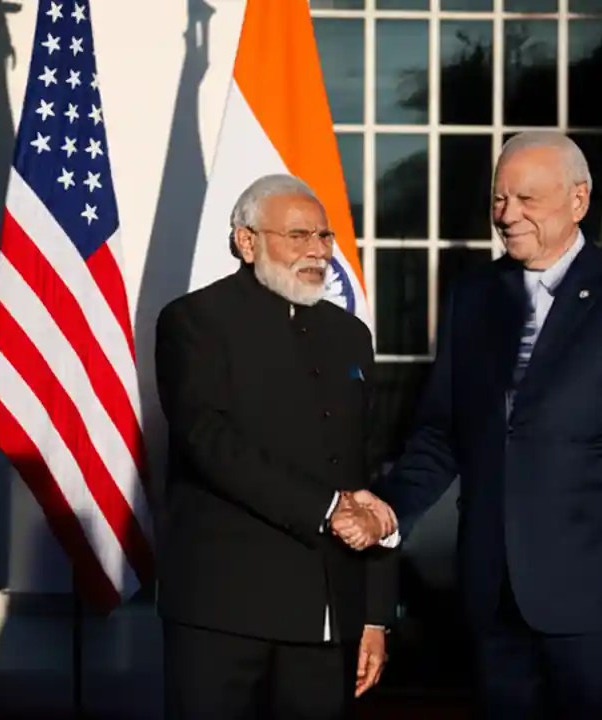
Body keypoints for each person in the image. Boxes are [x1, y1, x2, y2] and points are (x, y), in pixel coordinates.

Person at [339, 131, 602, 719]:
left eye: (527, 199)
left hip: (600, 607)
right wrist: (388, 508)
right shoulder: (472, 296)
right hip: (492, 600)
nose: (507, 215)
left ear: (578, 200)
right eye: (500, 199)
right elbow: (441, 434)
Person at [154, 174, 398, 720]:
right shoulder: (193, 322)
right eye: (298, 236)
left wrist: (376, 614)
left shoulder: (349, 335)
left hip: (326, 618)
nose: (318, 250)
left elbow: (368, 472)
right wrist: (327, 508)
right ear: (247, 242)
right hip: (221, 614)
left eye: (325, 236)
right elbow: (209, 441)